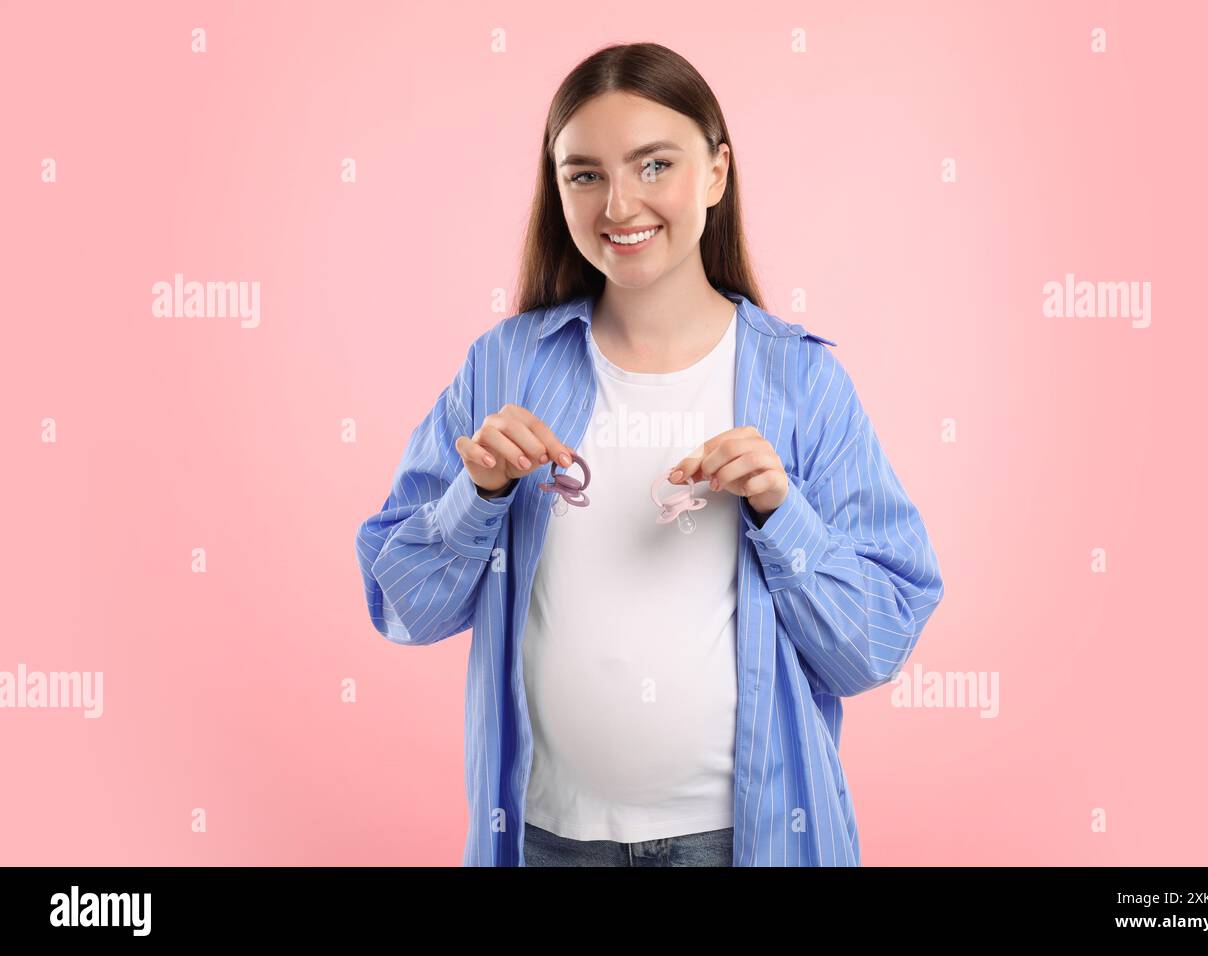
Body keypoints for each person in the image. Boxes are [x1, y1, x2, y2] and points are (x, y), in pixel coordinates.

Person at [355, 42, 944, 867]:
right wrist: (477, 494)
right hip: (543, 842)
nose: (619, 203)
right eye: (584, 174)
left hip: (749, 843)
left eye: (654, 164)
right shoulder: (502, 366)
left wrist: (783, 513)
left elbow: (874, 649)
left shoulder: (805, 381)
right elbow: (403, 606)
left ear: (715, 172)